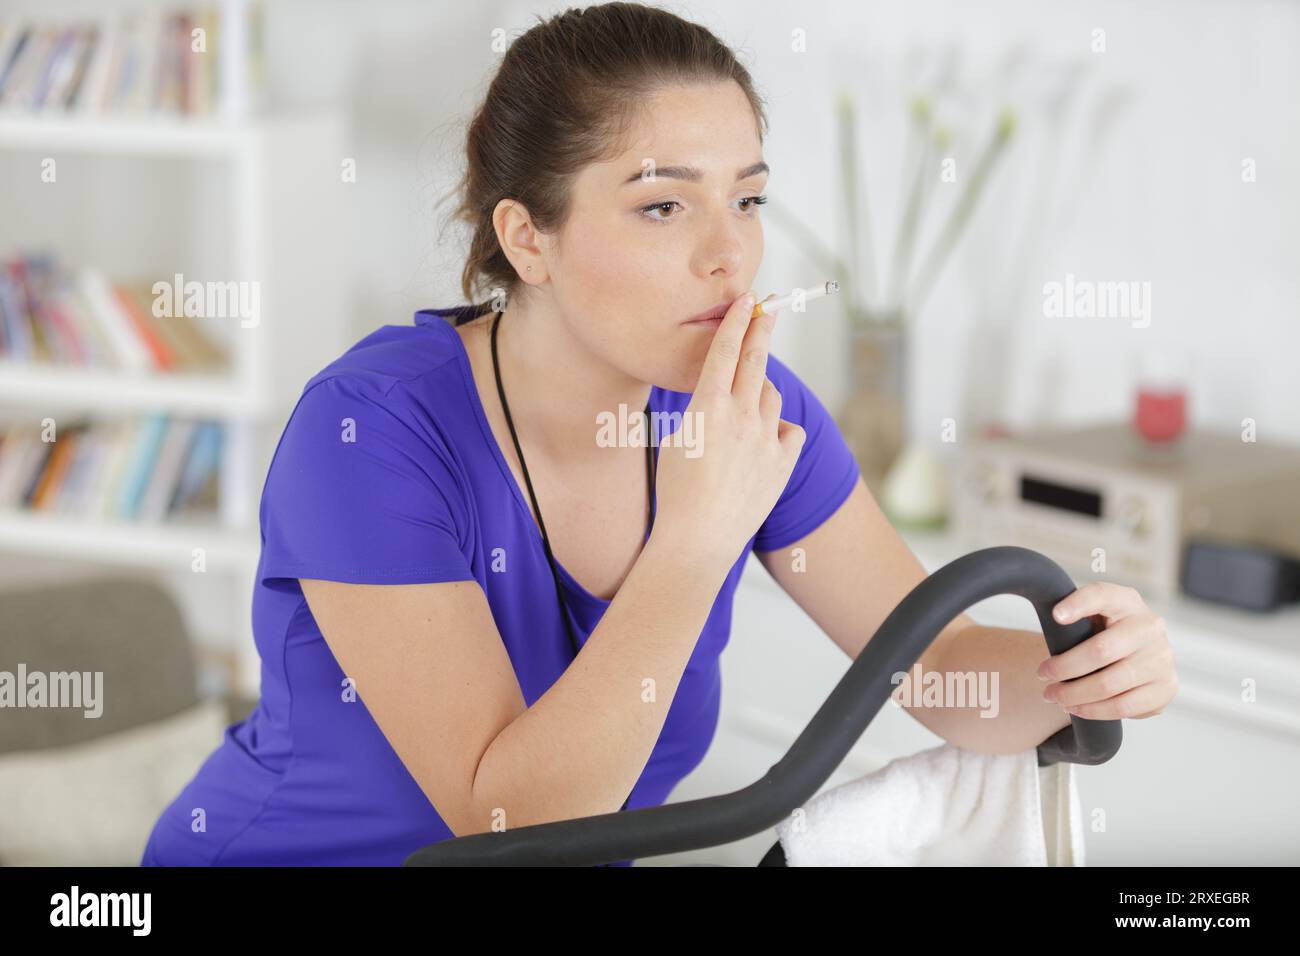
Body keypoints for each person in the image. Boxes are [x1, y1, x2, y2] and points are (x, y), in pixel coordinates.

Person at [141, 1, 1177, 867]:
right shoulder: (367, 433)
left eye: (749, 198)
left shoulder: (753, 415)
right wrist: (689, 540)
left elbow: (938, 665)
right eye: (661, 208)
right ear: (527, 238)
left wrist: (1081, 668)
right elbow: (512, 822)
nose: (731, 254)